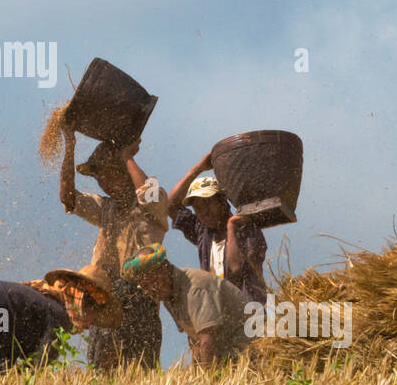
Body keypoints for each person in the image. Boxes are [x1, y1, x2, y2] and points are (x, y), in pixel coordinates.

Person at [58, 118, 168, 370]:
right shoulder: (105, 207)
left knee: (140, 370)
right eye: (99, 176)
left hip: (141, 295)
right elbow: (68, 197)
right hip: (103, 296)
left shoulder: (152, 198)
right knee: (101, 368)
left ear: (123, 172)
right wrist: (70, 145)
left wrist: (127, 156)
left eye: (108, 174)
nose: (104, 182)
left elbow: (149, 194)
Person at [0, 265, 123, 373]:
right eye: (92, 319)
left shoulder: (41, 299)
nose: (89, 327)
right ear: (82, 303)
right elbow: (35, 372)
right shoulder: (58, 318)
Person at [121, 244, 251, 367]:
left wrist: (207, 382)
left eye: (153, 281)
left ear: (166, 268)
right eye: (144, 286)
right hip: (229, 355)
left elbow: (206, 339)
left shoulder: (194, 289)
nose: (150, 290)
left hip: (250, 351)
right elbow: (194, 338)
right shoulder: (168, 293)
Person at [166, 156, 270, 304]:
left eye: (208, 203)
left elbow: (235, 269)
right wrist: (196, 170)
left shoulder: (247, 229)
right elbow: (170, 206)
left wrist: (231, 227)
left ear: (222, 201)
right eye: (198, 208)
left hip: (249, 313)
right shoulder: (202, 232)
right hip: (220, 317)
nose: (204, 212)